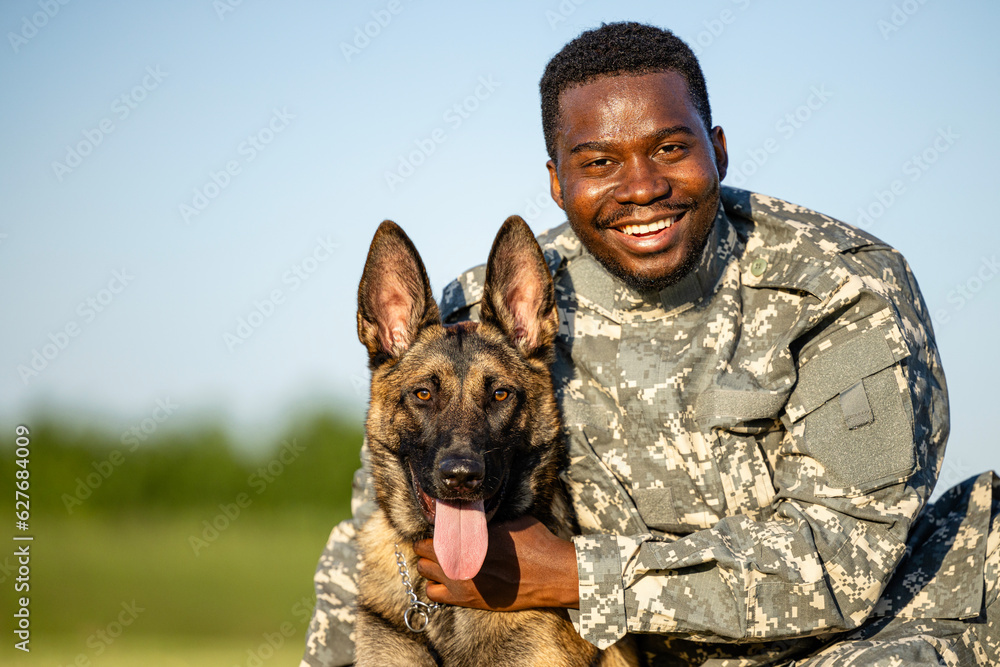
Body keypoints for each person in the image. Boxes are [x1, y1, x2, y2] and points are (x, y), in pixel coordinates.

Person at [302, 22, 999, 666]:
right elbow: (384, 515)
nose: (642, 187)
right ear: (557, 181)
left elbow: (843, 561)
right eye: (600, 160)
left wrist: (574, 573)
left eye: (670, 147)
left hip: (856, 636)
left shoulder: (843, 289)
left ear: (717, 149)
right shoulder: (483, 311)